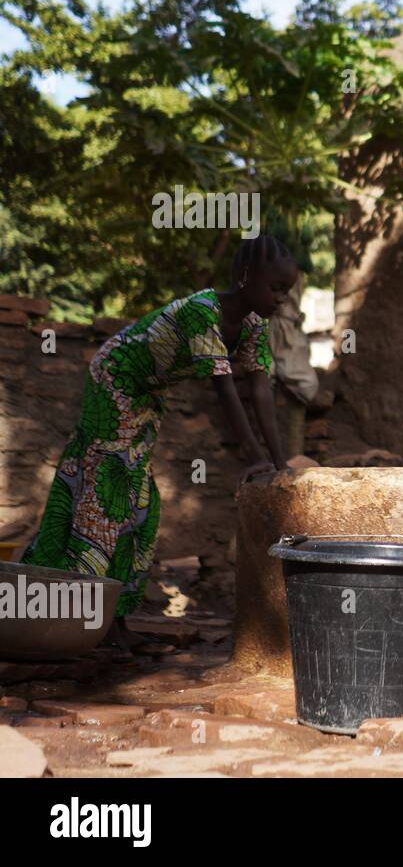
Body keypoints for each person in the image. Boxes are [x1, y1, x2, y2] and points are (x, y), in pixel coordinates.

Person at [22, 235, 297, 654]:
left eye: (287, 291)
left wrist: (279, 463)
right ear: (245, 277)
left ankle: (117, 622)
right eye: (275, 287)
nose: (281, 299)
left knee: (144, 508)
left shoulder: (255, 324)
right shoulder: (203, 312)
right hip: (115, 377)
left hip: (149, 391)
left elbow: (260, 391)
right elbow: (226, 393)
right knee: (107, 497)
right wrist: (255, 457)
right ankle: (82, 621)